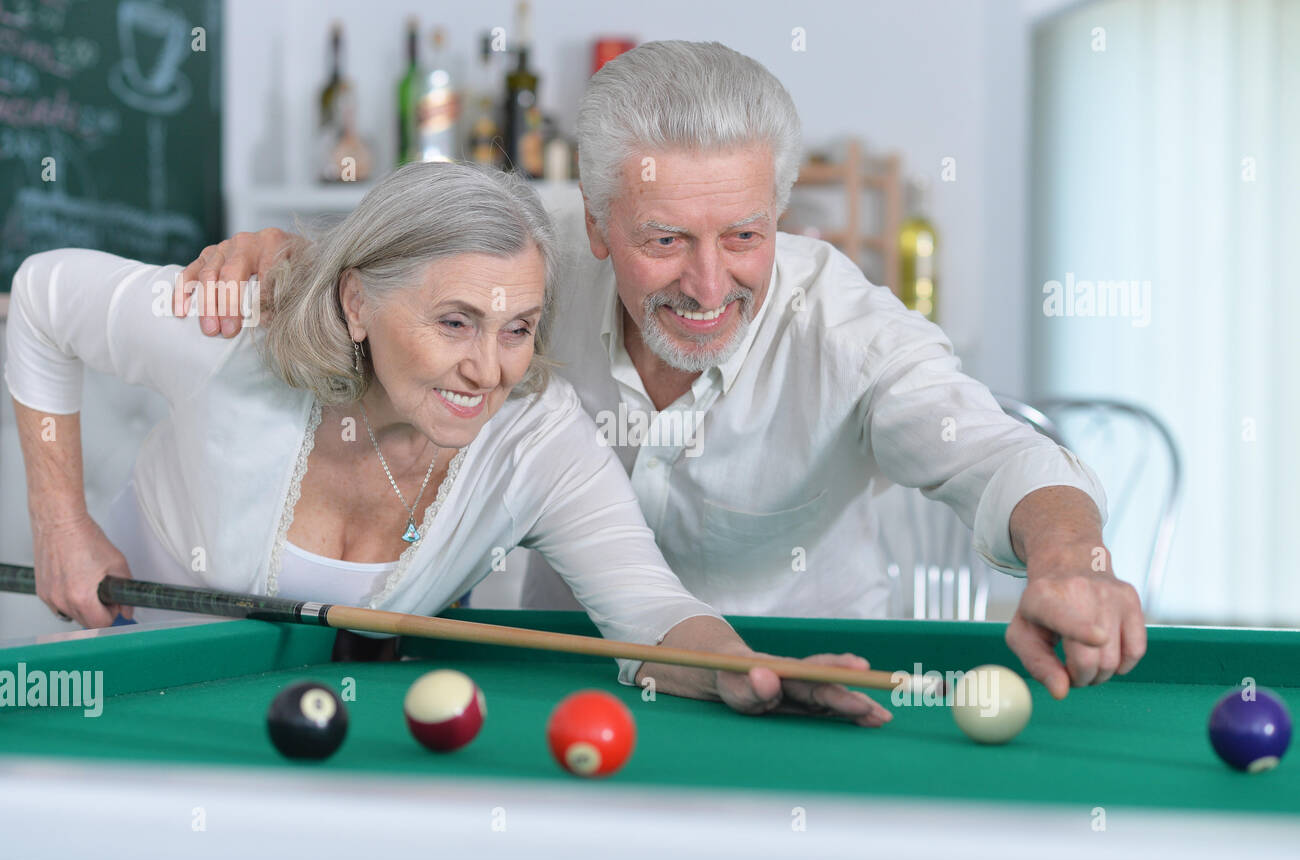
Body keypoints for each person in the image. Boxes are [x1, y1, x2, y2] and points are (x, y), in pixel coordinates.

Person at [175, 41, 1145, 701]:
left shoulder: (841, 326)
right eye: (667, 238)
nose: (708, 283)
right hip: (556, 680)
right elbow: (388, 267)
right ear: (594, 226)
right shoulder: (527, 252)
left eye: (744, 235)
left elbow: (995, 453)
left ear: (781, 217)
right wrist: (280, 254)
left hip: (805, 681)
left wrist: (1068, 559)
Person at [4, 161, 888, 724]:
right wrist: (60, 519)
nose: (488, 370)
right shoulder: (236, 333)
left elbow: (650, 611)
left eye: (519, 329)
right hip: (119, 693)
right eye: (455, 321)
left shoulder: (537, 439)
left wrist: (748, 669)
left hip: (326, 733)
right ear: (356, 303)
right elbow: (42, 297)